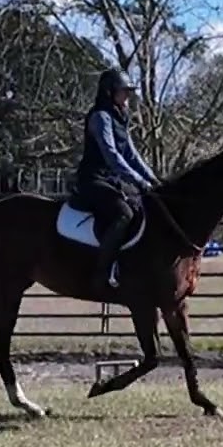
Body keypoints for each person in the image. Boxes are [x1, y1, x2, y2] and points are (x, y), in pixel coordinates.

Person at [73, 68, 161, 290]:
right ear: (109, 92)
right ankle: (102, 271)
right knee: (124, 213)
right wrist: (138, 181)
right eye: (123, 91)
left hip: (113, 180)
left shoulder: (120, 116)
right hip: (93, 179)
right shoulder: (100, 117)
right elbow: (112, 155)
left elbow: (131, 154)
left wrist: (152, 178)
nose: (127, 96)